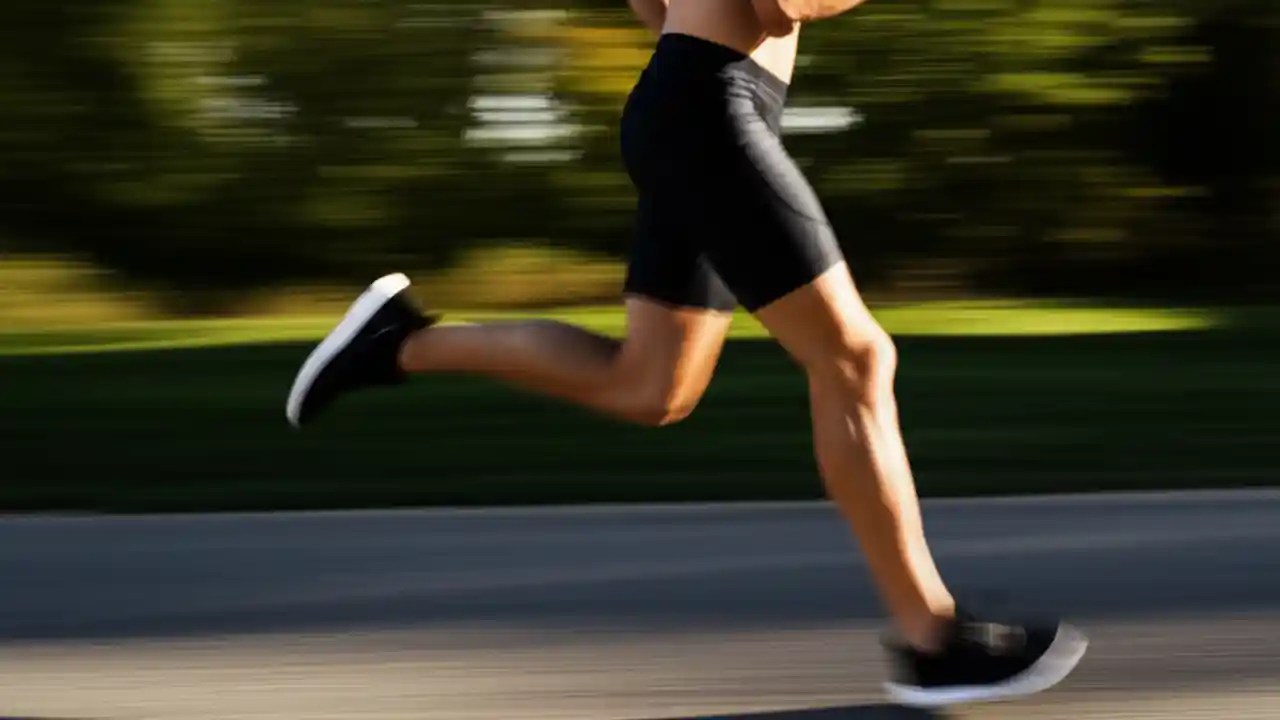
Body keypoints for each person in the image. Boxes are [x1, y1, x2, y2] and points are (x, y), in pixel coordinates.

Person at [285, 0, 1087, 708]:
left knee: (651, 387)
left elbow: (656, 9)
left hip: (696, 104)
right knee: (855, 358)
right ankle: (932, 638)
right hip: (711, 108)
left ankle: (400, 344)